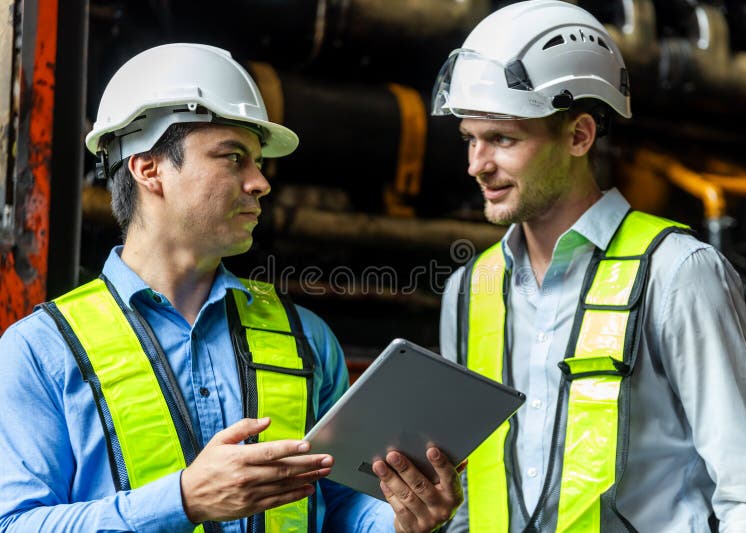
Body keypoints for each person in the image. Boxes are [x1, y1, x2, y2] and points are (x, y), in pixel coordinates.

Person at [0, 43, 461, 532]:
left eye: (257, 162)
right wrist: (183, 501)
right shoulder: (42, 351)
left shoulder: (307, 339)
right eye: (233, 157)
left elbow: (338, 504)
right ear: (148, 167)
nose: (260, 182)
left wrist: (398, 520)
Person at [431, 1, 746, 531]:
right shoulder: (471, 288)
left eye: (503, 139)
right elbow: (467, 500)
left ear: (580, 136)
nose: (476, 165)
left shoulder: (678, 271)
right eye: (469, 138)